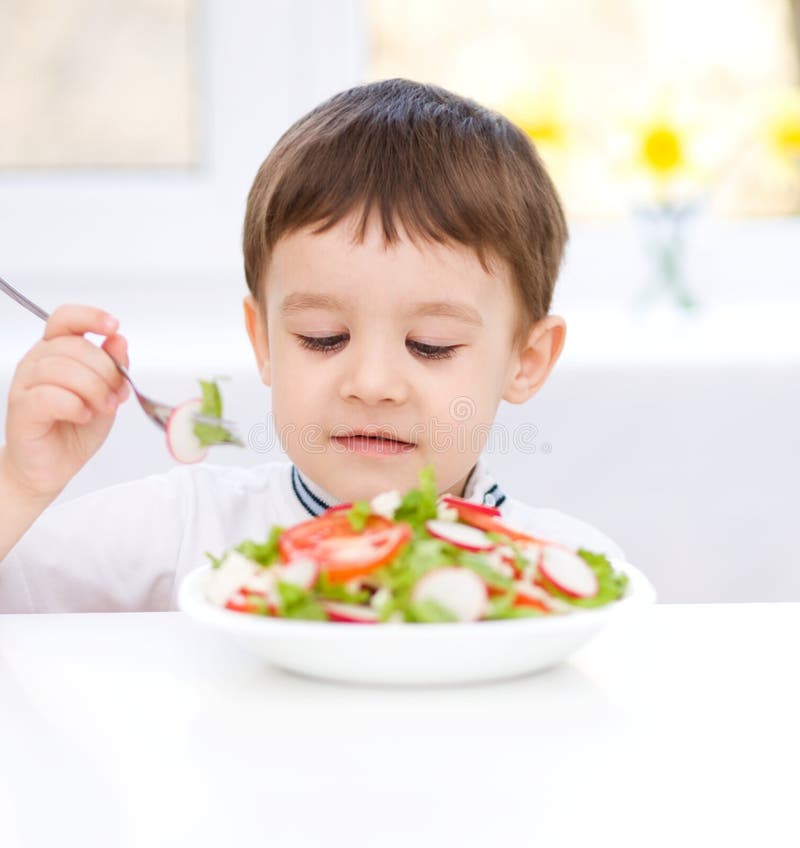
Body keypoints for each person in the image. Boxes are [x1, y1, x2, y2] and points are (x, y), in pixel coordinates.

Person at [0, 78, 625, 613]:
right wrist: (21, 483)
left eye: (430, 346)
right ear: (264, 341)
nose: (372, 382)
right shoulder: (187, 529)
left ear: (527, 361)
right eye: (322, 338)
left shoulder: (565, 570)